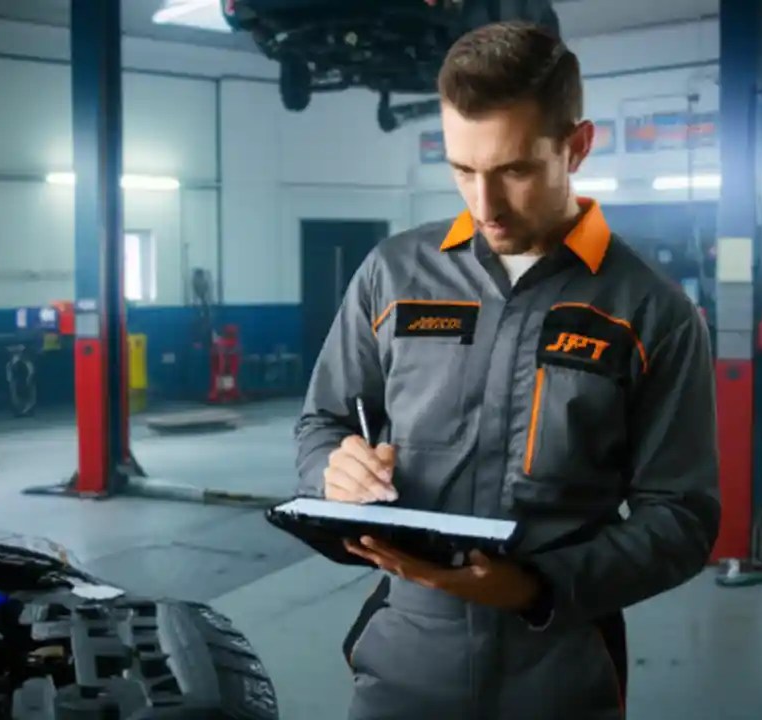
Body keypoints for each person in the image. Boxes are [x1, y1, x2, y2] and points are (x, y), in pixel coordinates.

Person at [294, 20, 720, 720]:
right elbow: (324, 421)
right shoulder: (393, 275)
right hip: (403, 661)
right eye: (463, 171)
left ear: (576, 146)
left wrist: (534, 587)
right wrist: (331, 472)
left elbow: (681, 518)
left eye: (514, 170)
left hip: (558, 667)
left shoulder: (650, 311)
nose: (484, 205)